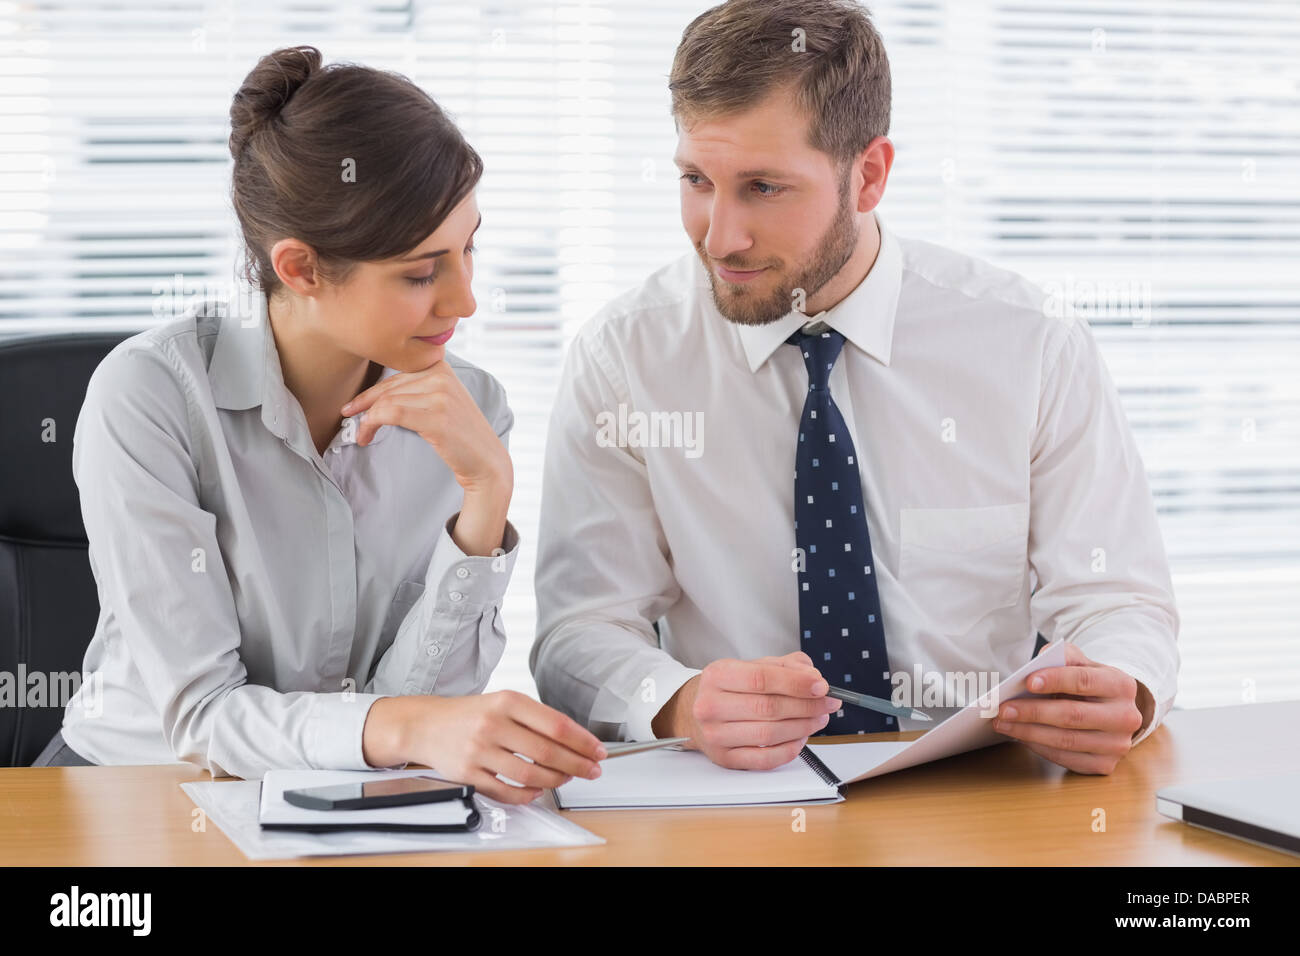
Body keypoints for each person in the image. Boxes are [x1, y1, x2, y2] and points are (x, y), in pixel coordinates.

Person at [531, 0, 1179, 775]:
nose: (719, 236)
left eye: (764, 188)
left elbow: (1117, 599)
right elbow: (578, 633)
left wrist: (1124, 690)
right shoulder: (625, 357)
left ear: (868, 176)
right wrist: (677, 701)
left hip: (980, 795)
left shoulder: (1030, 342)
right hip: (739, 801)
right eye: (697, 179)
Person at [35, 45, 606, 802]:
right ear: (300, 268)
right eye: (420, 271)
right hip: (139, 793)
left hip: (341, 800)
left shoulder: (467, 410)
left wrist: (486, 492)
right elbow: (204, 717)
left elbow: (421, 714)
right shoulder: (151, 397)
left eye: (469, 248)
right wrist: (403, 728)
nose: (465, 301)